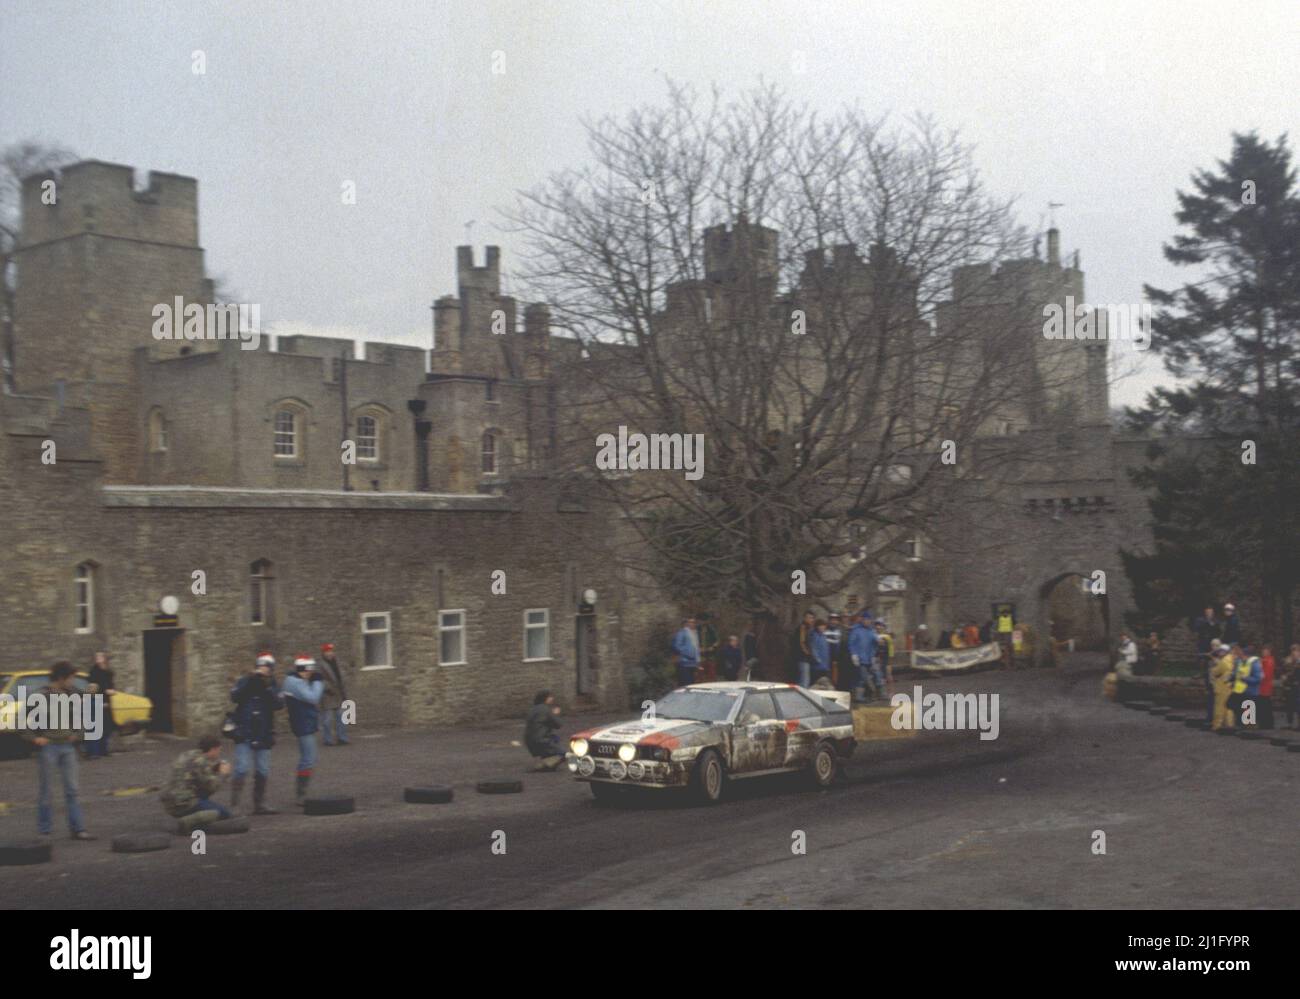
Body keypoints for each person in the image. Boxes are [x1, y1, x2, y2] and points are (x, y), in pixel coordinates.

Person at [24, 661, 95, 840]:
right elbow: (22, 722)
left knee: (72, 789)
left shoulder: (73, 694)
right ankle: (44, 830)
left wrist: (78, 734)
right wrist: (34, 738)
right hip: (48, 748)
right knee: (46, 790)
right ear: (61, 677)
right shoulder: (40, 695)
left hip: (68, 748)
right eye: (71, 678)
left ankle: (78, 829)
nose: (73, 681)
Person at [229, 652, 282, 815]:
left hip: (264, 732)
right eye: (260, 666)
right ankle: (235, 805)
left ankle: (259, 804)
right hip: (245, 730)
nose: (262, 670)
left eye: (266, 667)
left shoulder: (273, 685)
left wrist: (266, 687)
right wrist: (251, 681)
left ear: (271, 669)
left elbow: (279, 704)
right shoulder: (245, 680)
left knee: (262, 770)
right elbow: (234, 696)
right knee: (242, 768)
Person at [161, 734, 232, 833]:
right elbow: (212, 787)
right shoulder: (201, 762)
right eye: (219, 750)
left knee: (202, 795)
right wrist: (223, 774)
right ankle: (187, 822)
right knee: (224, 814)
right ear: (213, 749)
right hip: (183, 803)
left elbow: (195, 773)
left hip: (169, 801)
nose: (219, 753)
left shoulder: (187, 755)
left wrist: (214, 769)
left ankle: (190, 815)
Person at [282, 655, 325, 807]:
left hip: (304, 723)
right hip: (303, 725)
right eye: (309, 670)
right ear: (304, 670)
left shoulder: (293, 681)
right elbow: (313, 698)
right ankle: (300, 794)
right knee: (308, 760)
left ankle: (301, 793)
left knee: (308, 759)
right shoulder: (296, 683)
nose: (311, 673)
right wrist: (318, 682)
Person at [317, 642, 350, 746]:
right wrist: (328, 688)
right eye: (327, 652)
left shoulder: (338, 663)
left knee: (342, 717)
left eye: (331, 651)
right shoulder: (320, 665)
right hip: (328, 695)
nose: (329, 653)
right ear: (323, 653)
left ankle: (342, 738)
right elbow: (319, 679)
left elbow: (342, 676)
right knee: (327, 719)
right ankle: (328, 739)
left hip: (339, 693)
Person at [84, 651, 116, 759]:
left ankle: (103, 750)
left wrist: (112, 691)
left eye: (100, 656)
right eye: (97, 656)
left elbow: (111, 685)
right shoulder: (94, 671)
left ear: (105, 658)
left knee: (106, 727)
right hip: (97, 700)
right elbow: (93, 687)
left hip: (107, 701)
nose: (98, 658)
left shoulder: (108, 671)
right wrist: (104, 694)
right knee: (95, 727)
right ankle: (93, 752)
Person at [524, 690, 565, 770]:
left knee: (555, 738)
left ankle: (548, 762)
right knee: (564, 754)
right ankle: (542, 765)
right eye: (550, 697)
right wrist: (555, 714)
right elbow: (558, 724)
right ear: (545, 699)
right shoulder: (546, 709)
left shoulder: (533, 709)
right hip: (541, 740)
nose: (552, 699)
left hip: (529, 740)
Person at [848, 610, 880, 702]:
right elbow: (851, 643)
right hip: (859, 659)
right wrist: (854, 655)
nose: (867, 621)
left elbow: (874, 644)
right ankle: (861, 696)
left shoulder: (871, 631)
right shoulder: (856, 630)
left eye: (868, 620)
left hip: (869, 659)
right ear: (862, 620)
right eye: (865, 619)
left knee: (867, 677)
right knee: (862, 677)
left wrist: (878, 643)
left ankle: (864, 696)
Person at [1210, 643, 1235, 731]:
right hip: (1229, 686)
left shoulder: (1223, 661)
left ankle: (1217, 725)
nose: (1219, 652)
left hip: (1221, 687)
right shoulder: (1232, 659)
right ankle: (1230, 724)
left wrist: (1214, 664)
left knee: (1219, 707)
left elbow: (1215, 672)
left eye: (1221, 651)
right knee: (1229, 707)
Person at [671, 617, 701, 686]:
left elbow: (696, 648)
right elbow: (677, 646)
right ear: (686, 623)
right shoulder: (682, 632)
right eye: (690, 622)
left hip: (693, 663)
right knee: (685, 683)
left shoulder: (695, 633)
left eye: (694, 622)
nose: (692, 624)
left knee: (692, 683)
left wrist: (698, 660)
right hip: (684, 662)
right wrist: (688, 653)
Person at [790, 611, 816, 687]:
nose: (811, 620)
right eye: (809, 618)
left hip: (802, 658)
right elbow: (802, 642)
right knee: (804, 681)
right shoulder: (803, 628)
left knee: (801, 680)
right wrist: (809, 654)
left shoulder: (808, 629)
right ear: (804, 618)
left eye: (812, 618)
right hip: (802, 658)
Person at [1281, 644, 1300, 729]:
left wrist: (1288, 676)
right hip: (1289, 686)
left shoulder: (1298, 662)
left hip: (1298, 686)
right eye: (1293, 651)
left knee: (1298, 706)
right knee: (1289, 705)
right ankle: (1290, 723)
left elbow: (1295, 674)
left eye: (1296, 651)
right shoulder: (1288, 661)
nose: (1294, 653)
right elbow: (1284, 671)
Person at [1258, 644, 1276, 729]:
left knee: (1265, 706)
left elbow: (1266, 675)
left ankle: (1266, 724)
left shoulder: (1268, 661)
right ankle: (1265, 723)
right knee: (1264, 706)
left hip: (1265, 687)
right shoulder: (1266, 660)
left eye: (1265, 651)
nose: (1263, 652)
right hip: (1263, 687)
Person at [810, 619, 831, 686]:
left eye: (824, 626)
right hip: (816, 666)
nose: (822, 627)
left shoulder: (824, 636)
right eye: (820, 626)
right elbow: (813, 648)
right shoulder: (814, 636)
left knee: (824, 684)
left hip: (825, 666)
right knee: (815, 683)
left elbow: (826, 650)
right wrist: (817, 659)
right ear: (817, 626)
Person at [875, 619, 894, 690]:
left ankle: (891, 691)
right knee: (880, 676)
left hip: (886, 658)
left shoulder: (887, 636)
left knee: (888, 675)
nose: (878, 627)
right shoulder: (874, 635)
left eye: (880, 625)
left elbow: (891, 648)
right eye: (877, 625)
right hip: (878, 658)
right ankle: (882, 691)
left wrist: (890, 658)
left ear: (883, 626)